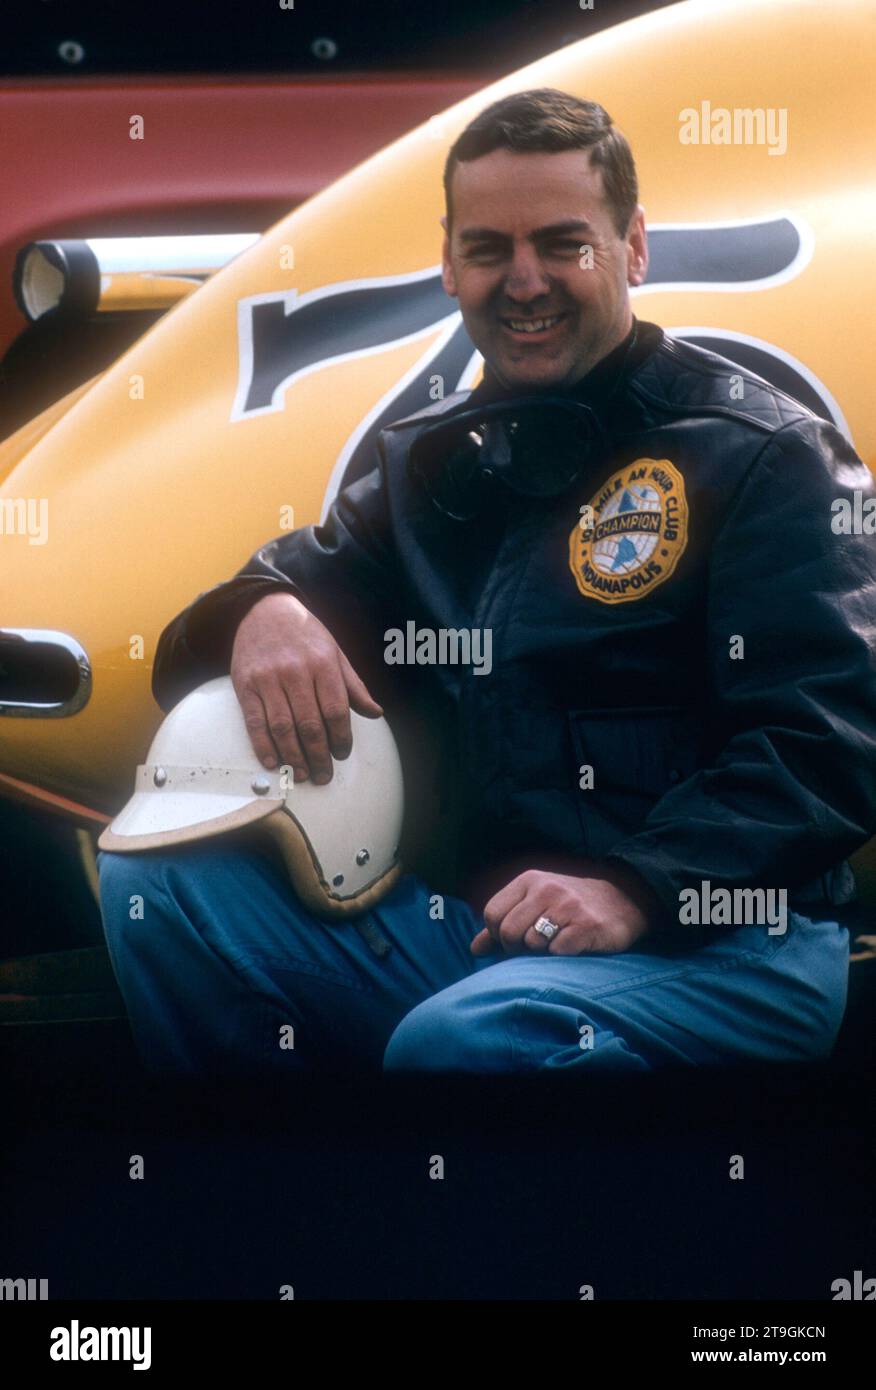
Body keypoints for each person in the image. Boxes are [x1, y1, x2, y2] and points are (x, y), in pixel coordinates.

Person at [97, 88, 876, 1076]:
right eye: (488, 249)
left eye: (563, 244)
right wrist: (257, 610)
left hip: (728, 945)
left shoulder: (766, 454)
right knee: (152, 887)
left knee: (469, 1042)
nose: (524, 281)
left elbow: (834, 741)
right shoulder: (428, 464)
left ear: (632, 247)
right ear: (449, 261)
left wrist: (639, 885)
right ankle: (278, 1204)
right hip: (484, 941)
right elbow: (260, 597)